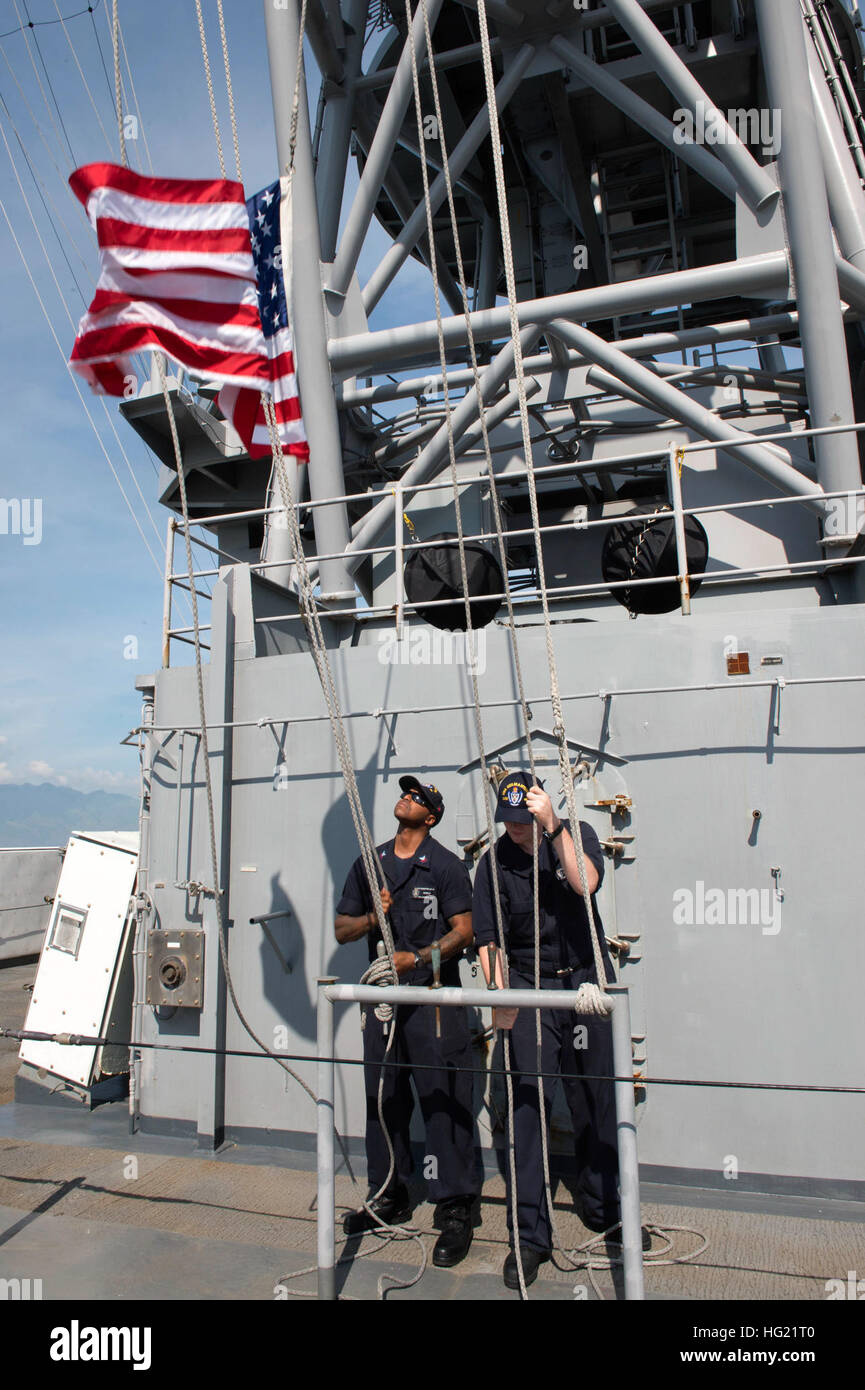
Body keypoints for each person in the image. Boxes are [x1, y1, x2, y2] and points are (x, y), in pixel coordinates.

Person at [472, 771, 620, 1289]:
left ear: (538, 810)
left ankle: (606, 1210)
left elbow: (587, 885)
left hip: (584, 981)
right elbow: (488, 939)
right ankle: (531, 1236)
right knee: (528, 1106)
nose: (515, 830)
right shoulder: (492, 864)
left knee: (596, 1097)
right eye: (507, 822)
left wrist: (554, 826)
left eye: (523, 820)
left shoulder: (575, 836)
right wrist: (500, 996)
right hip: (531, 986)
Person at [334, 775, 478, 1267]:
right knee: (384, 1096)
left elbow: (464, 932)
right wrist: (375, 919)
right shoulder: (368, 863)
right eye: (407, 793)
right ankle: (389, 1194)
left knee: (443, 1099)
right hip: (383, 1002)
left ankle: (455, 1207)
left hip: (434, 1001)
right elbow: (341, 929)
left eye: (418, 798)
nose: (407, 798)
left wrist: (416, 960)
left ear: (430, 817)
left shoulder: (447, 867)